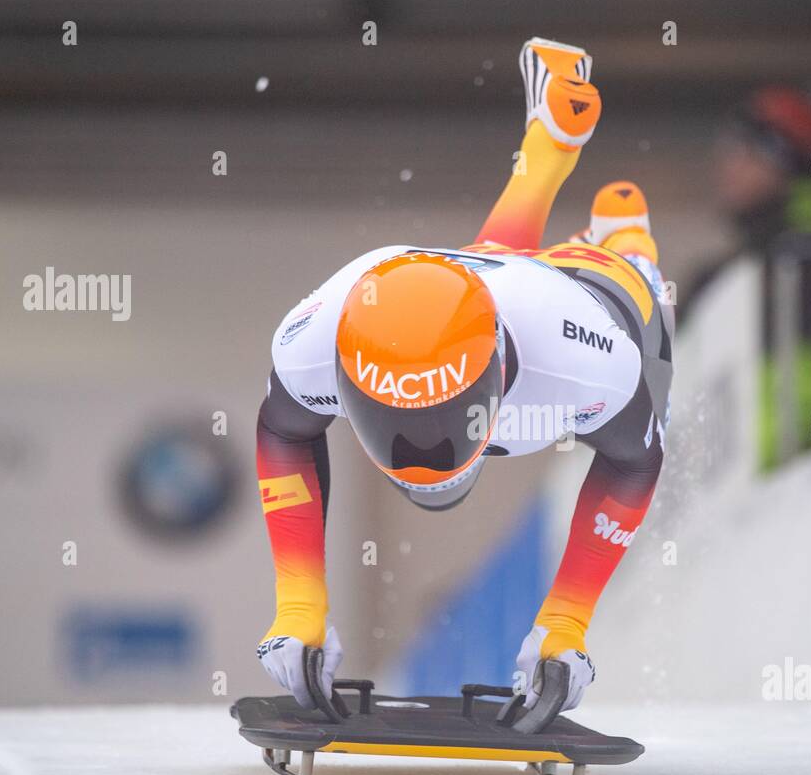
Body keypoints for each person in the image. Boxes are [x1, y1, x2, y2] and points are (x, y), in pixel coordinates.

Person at [254, 38, 673, 713]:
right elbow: (281, 430)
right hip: (466, 287)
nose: (422, 447)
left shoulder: (587, 361)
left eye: (437, 431)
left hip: (588, 298)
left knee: (644, 310)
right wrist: (297, 605)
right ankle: (549, 147)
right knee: (486, 261)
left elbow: (638, 459)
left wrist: (567, 623)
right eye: (398, 429)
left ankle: (627, 238)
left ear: (494, 385)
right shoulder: (315, 339)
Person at [681, 87, 811, 468]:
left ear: (783, 162)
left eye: (743, 151)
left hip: (777, 483)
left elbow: (807, 398)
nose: (726, 166)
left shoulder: (807, 258)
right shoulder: (747, 265)